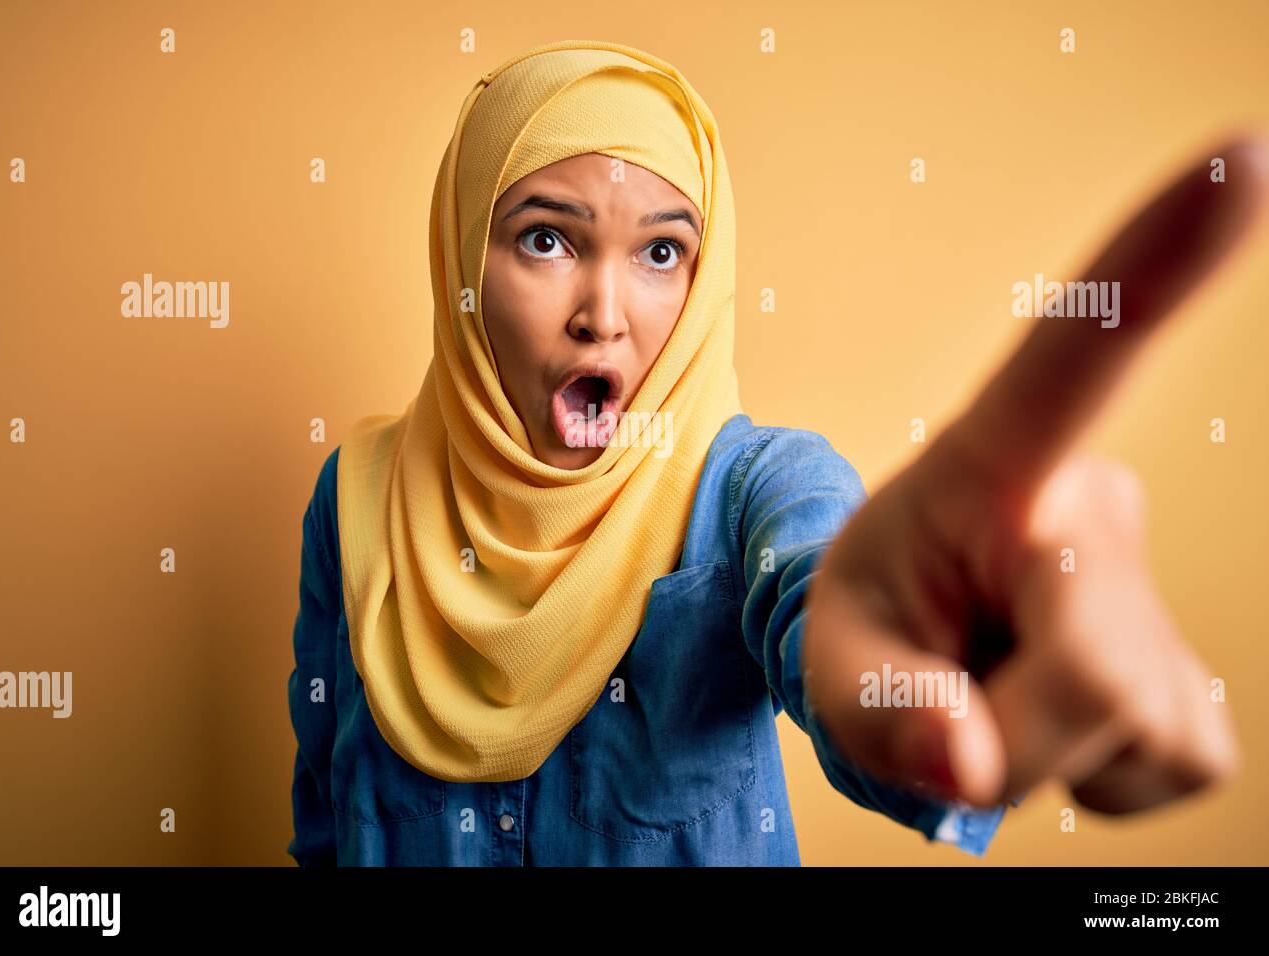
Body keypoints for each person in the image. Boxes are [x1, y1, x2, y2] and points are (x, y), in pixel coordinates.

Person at [287, 39, 1263, 866]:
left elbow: (823, 593)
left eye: (661, 253)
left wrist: (937, 674)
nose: (604, 316)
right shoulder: (357, 499)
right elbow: (324, 826)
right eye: (546, 241)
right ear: (461, 258)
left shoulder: (758, 488)